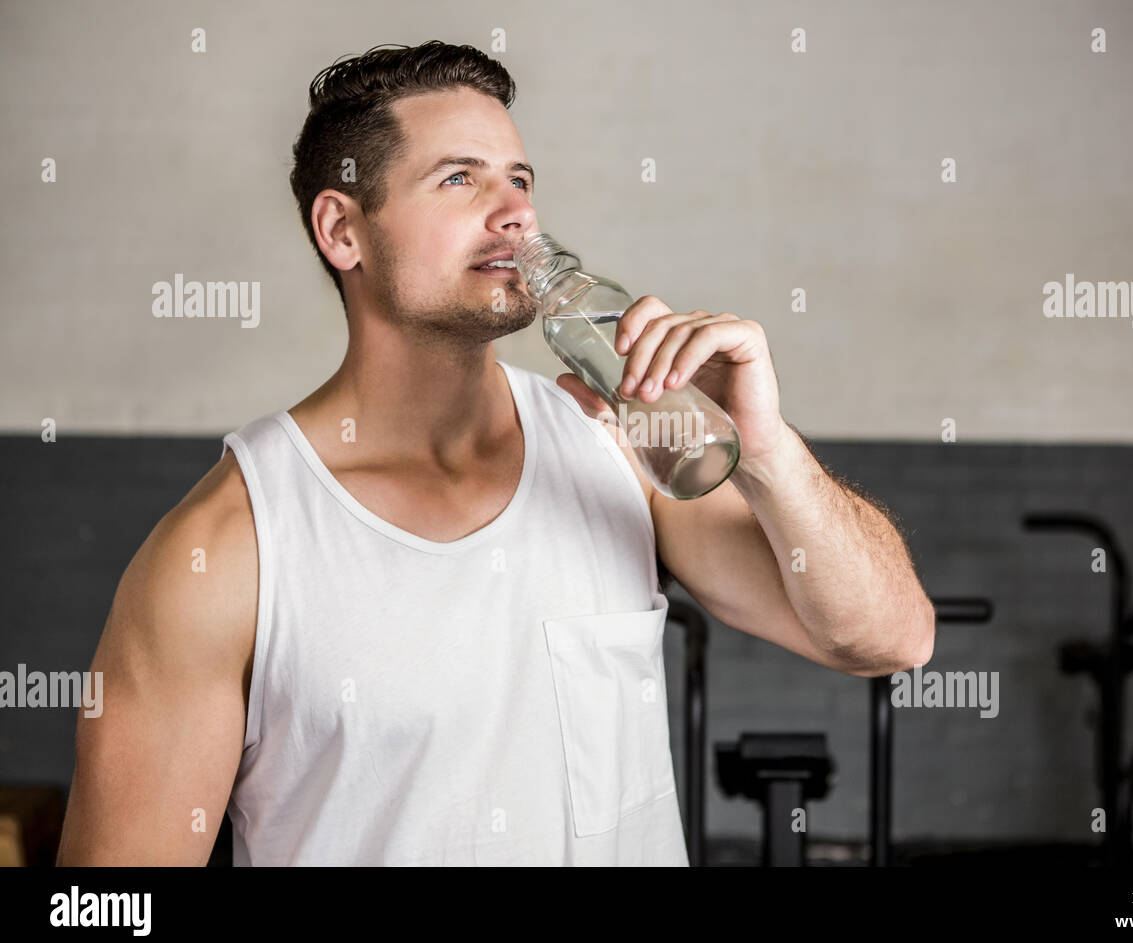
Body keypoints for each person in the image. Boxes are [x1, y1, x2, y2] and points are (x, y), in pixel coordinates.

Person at [56, 40, 934, 866]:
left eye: (519, 178)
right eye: (458, 178)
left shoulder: (623, 450)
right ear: (343, 231)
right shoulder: (228, 551)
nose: (516, 211)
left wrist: (768, 452)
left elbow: (890, 638)